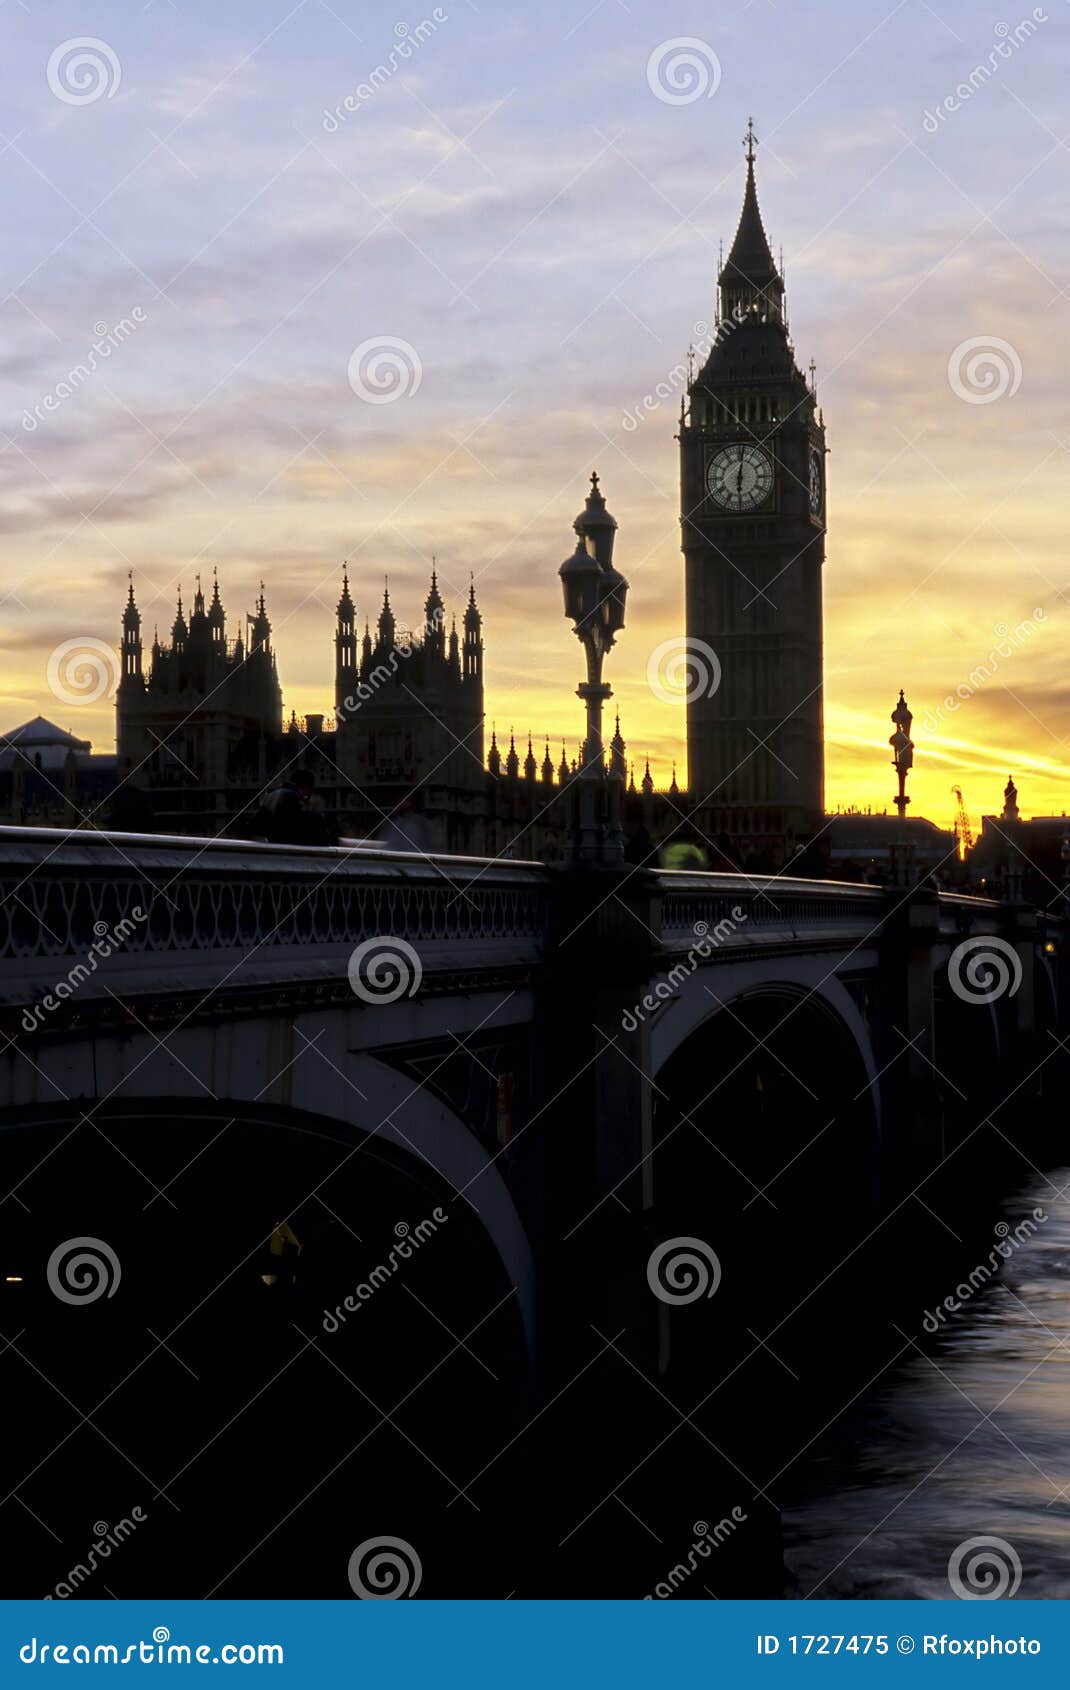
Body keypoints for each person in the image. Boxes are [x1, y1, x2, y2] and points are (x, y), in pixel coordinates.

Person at [257, 771, 336, 845]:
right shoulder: (291, 795)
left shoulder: (271, 795)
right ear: (306, 787)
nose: (311, 793)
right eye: (310, 789)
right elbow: (295, 821)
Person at [378, 789, 433, 854]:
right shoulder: (393, 822)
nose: (400, 803)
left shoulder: (420, 823)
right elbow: (387, 844)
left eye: (405, 800)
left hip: (412, 860)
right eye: (400, 800)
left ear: (412, 802)